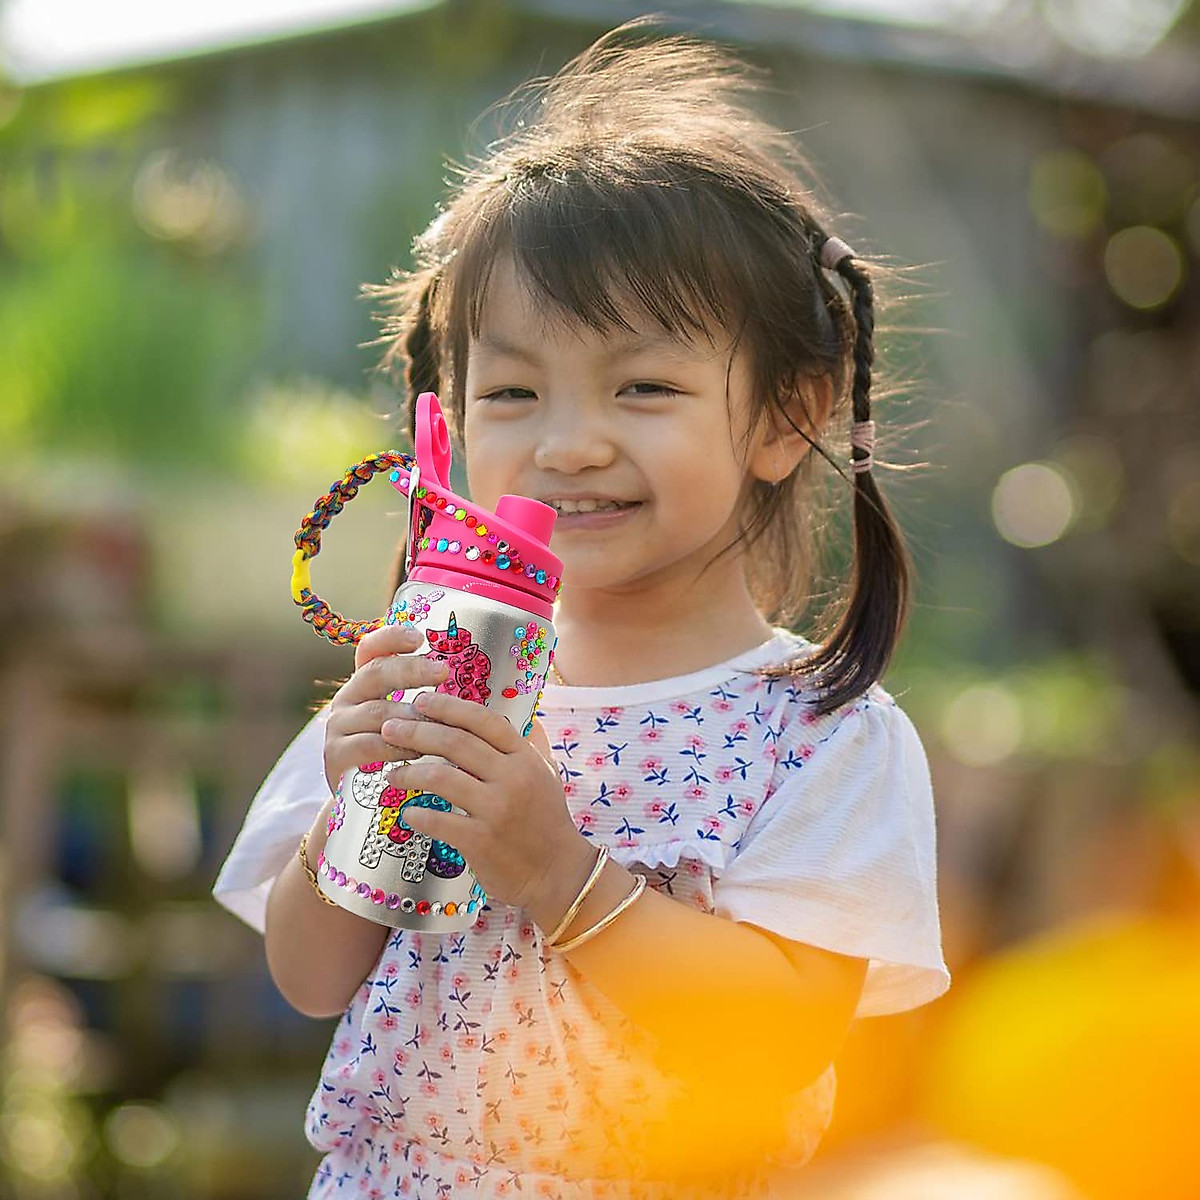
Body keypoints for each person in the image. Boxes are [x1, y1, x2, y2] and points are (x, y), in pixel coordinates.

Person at [213, 16, 951, 1199]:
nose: (567, 444)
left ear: (786, 417)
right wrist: (353, 808)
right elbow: (309, 979)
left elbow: (777, 1042)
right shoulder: (429, 679)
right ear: (447, 425)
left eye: (643, 385)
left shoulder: (820, 738)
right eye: (512, 391)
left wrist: (562, 875)